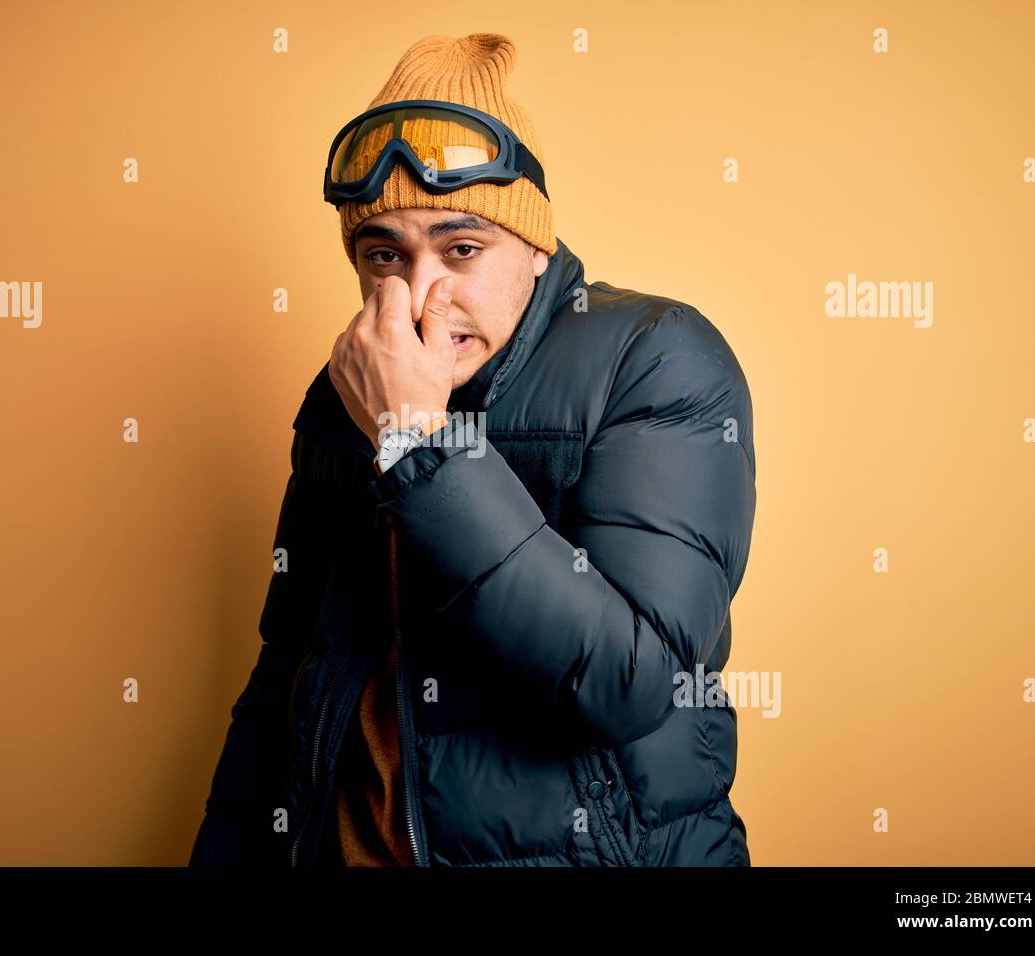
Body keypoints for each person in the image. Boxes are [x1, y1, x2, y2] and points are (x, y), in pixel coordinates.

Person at [189, 31, 756, 867]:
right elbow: (286, 678)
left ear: (535, 247)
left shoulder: (657, 356)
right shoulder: (344, 393)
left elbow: (633, 681)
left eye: (462, 249)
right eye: (384, 253)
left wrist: (419, 441)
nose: (420, 294)